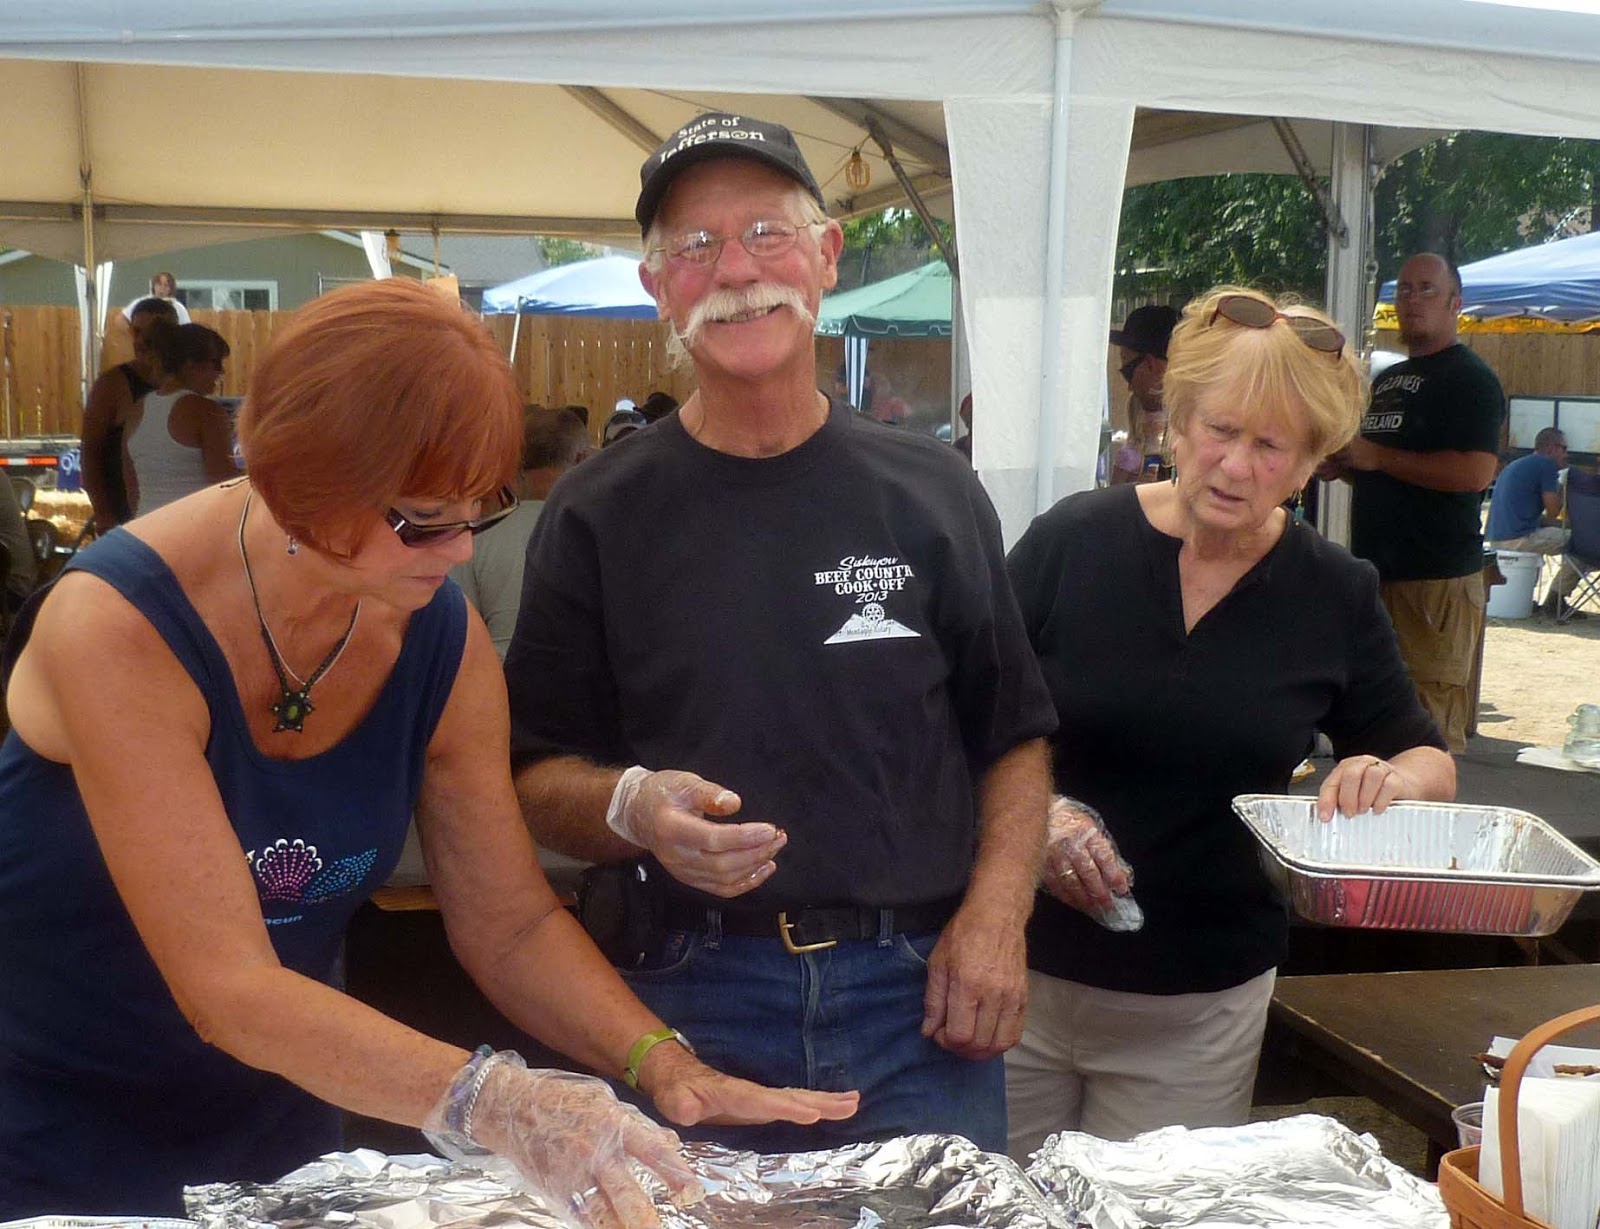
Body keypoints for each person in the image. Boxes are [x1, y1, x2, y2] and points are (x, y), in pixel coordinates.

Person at [0, 279, 854, 1221]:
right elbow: (229, 987)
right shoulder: (117, 623)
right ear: (296, 482)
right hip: (50, 1109)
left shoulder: (433, 631)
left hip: (279, 1105)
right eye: (421, 518)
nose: (457, 553)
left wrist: (660, 1059)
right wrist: (495, 1098)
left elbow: (509, 921)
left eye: (478, 511)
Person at [505, 111, 1055, 1156]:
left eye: (765, 232)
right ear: (655, 285)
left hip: (921, 999)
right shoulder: (596, 513)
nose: (735, 270)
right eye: (695, 247)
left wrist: (994, 921)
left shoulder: (931, 489)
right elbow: (531, 773)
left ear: (825, 256)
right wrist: (633, 807)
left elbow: (1014, 734)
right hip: (686, 998)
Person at [1003, 286, 1455, 1158]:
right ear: (1174, 423)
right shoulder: (1071, 542)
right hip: (1020, 977)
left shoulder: (1335, 591)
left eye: (1270, 445)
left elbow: (1426, 756)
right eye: (1220, 430)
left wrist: (1391, 777)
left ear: (1310, 464)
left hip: (1198, 1006)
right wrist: (1040, 817)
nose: (1237, 465)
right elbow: (961, 712)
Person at [1322, 253, 1505, 753]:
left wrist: (1376, 458)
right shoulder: (1385, 380)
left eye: (1426, 290)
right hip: (1378, 575)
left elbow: (1475, 473)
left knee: (1425, 733)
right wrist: (1347, 466)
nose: (1412, 300)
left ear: (1455, 304)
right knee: (1371, 723)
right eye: (1404, 290)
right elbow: (1386, 470)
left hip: (1436, 581)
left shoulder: (1471, 380)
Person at [451, 405, 593, 658]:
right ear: (582, 458)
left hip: (489, 679)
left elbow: (455, 630)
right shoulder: (596, 536)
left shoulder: (474, 539)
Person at [81, 297, 179, 532]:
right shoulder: (113, 384)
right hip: (125, 515)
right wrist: (103, 512)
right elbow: (90, 451)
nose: (143, 341)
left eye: (154, 332)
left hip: (175, 510)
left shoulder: (185, 380)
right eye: (137, 331)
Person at [125, 323, 238, 515]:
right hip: (193, 530)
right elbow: (224, 485)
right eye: (216, 363)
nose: (221, 372)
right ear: (190, 364)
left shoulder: (136, 411)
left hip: (144, 528)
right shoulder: (205, 411)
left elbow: (132, 488)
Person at [121, 270, 192, 326]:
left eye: (166, 285)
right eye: (159, 284)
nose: (162, 288)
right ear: (154, 286)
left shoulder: (178, 307)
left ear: (171, 288)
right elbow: (121, 319)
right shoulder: (142, 303)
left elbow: (187, 328)